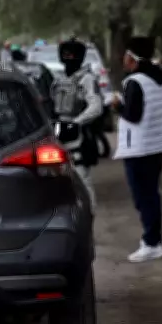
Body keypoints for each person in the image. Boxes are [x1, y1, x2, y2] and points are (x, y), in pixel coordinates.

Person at [111, 37, 162, 263]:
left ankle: (152, 243)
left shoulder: (134, 82)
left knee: (143, 198)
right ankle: (153, 240)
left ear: (133, 57)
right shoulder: (160, 78)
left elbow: (133, 116)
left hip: (139, 148)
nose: (123, 60)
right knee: (150, 195)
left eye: (126, 55)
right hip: (155, 146)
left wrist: (118, 107)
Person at [50, 37, 103, 211]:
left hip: (77, 132)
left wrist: (76, 122)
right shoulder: (57, 80)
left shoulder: (86, 78)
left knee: (81, 175)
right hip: (58, 129)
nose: (67, 57)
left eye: (70, 54)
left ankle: (89, 213)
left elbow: (96, 106)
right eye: (64, 54)